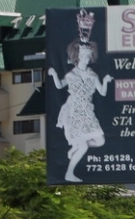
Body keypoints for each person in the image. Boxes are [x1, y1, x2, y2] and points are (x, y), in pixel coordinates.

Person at [48, 38, 112, 182]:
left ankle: (75, 147)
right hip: (74, 111)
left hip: (88, 111)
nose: (86, 58)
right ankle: (69, 173)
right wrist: (53, 75)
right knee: (83, 146)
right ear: (77, 57)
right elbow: (59, 86)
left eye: (88, 56)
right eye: (83, 56)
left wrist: (106, 82)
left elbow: (102, 92)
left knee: (100, 141)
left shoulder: (92, 75)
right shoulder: (71, 75)